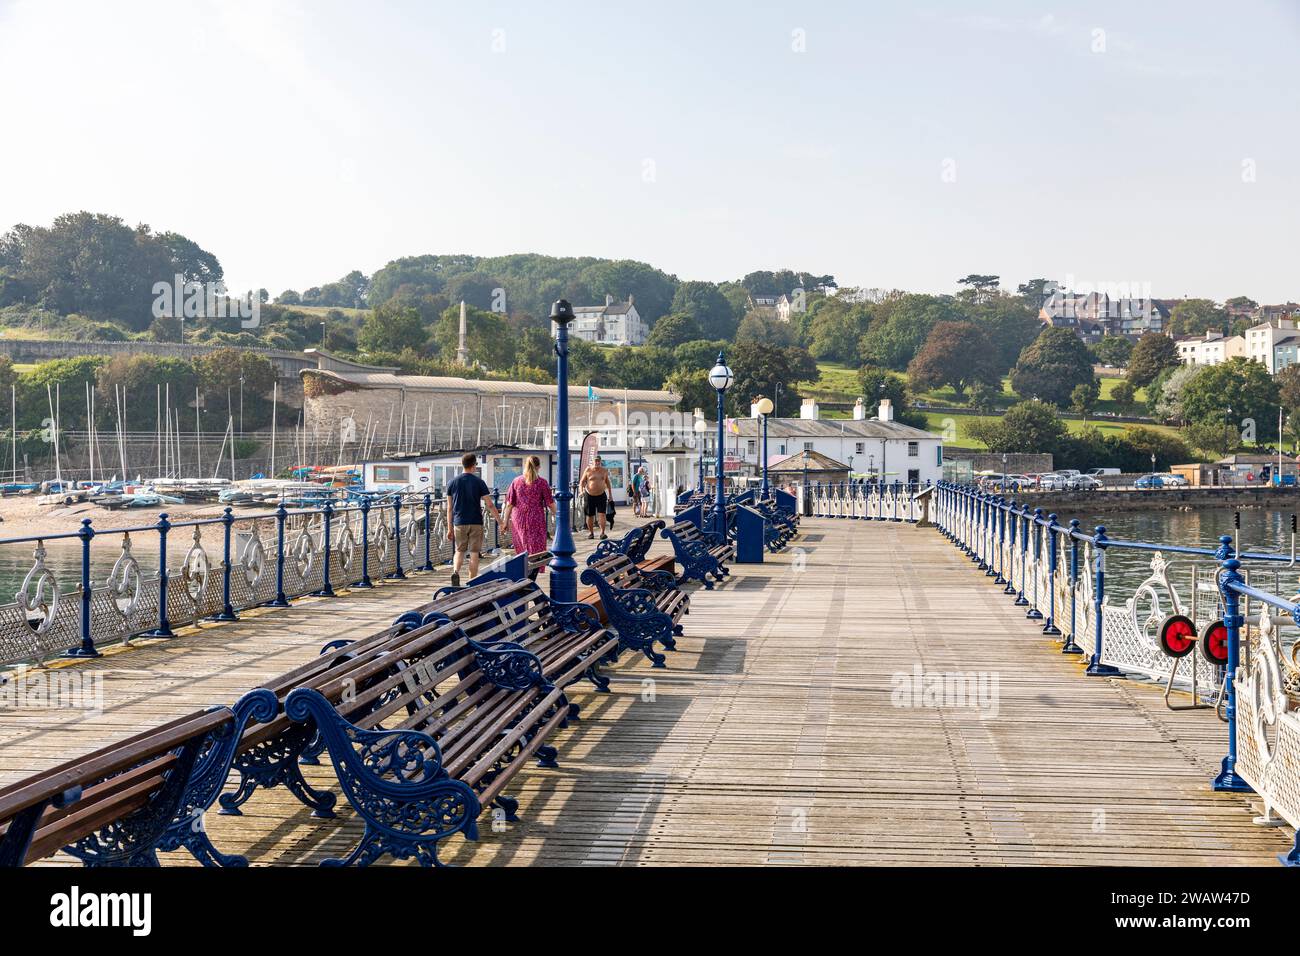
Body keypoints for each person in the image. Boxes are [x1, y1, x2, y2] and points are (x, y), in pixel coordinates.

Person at [445, 452, 500, 587]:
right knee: (474, 553)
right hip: (476, 522)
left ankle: (456, 572)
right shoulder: (479, 482)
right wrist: (500, 521)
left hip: (459, 522)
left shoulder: (452, 482)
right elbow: (490, 504)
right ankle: (471, 581)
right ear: (473, 465)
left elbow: (449, 508)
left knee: (459, 550)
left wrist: (449, 528)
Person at [501, 455, 555, 577]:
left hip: (518, 520)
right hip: (535, 519)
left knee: (522, 550)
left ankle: (523, 576)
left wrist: (505, 522)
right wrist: (560, 517)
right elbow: (550, 503)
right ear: (539, 467)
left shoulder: (516, 481)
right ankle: (530, 578)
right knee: (536, 551)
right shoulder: (542, 482)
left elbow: (509, 504)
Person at [580, 454, 611, 540]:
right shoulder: (588, 470)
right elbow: (582, 482)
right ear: (593, 462)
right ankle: (591, 533)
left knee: (602, 514)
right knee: (590, 515)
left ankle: (602, 533)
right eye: (595, 461)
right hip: (589, 495)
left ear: (600, 462)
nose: (597, 462)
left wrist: (610, 494)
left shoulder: (604, 471)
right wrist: (581, 491)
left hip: (601, 495)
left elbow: (608, 483)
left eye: (598, 461)